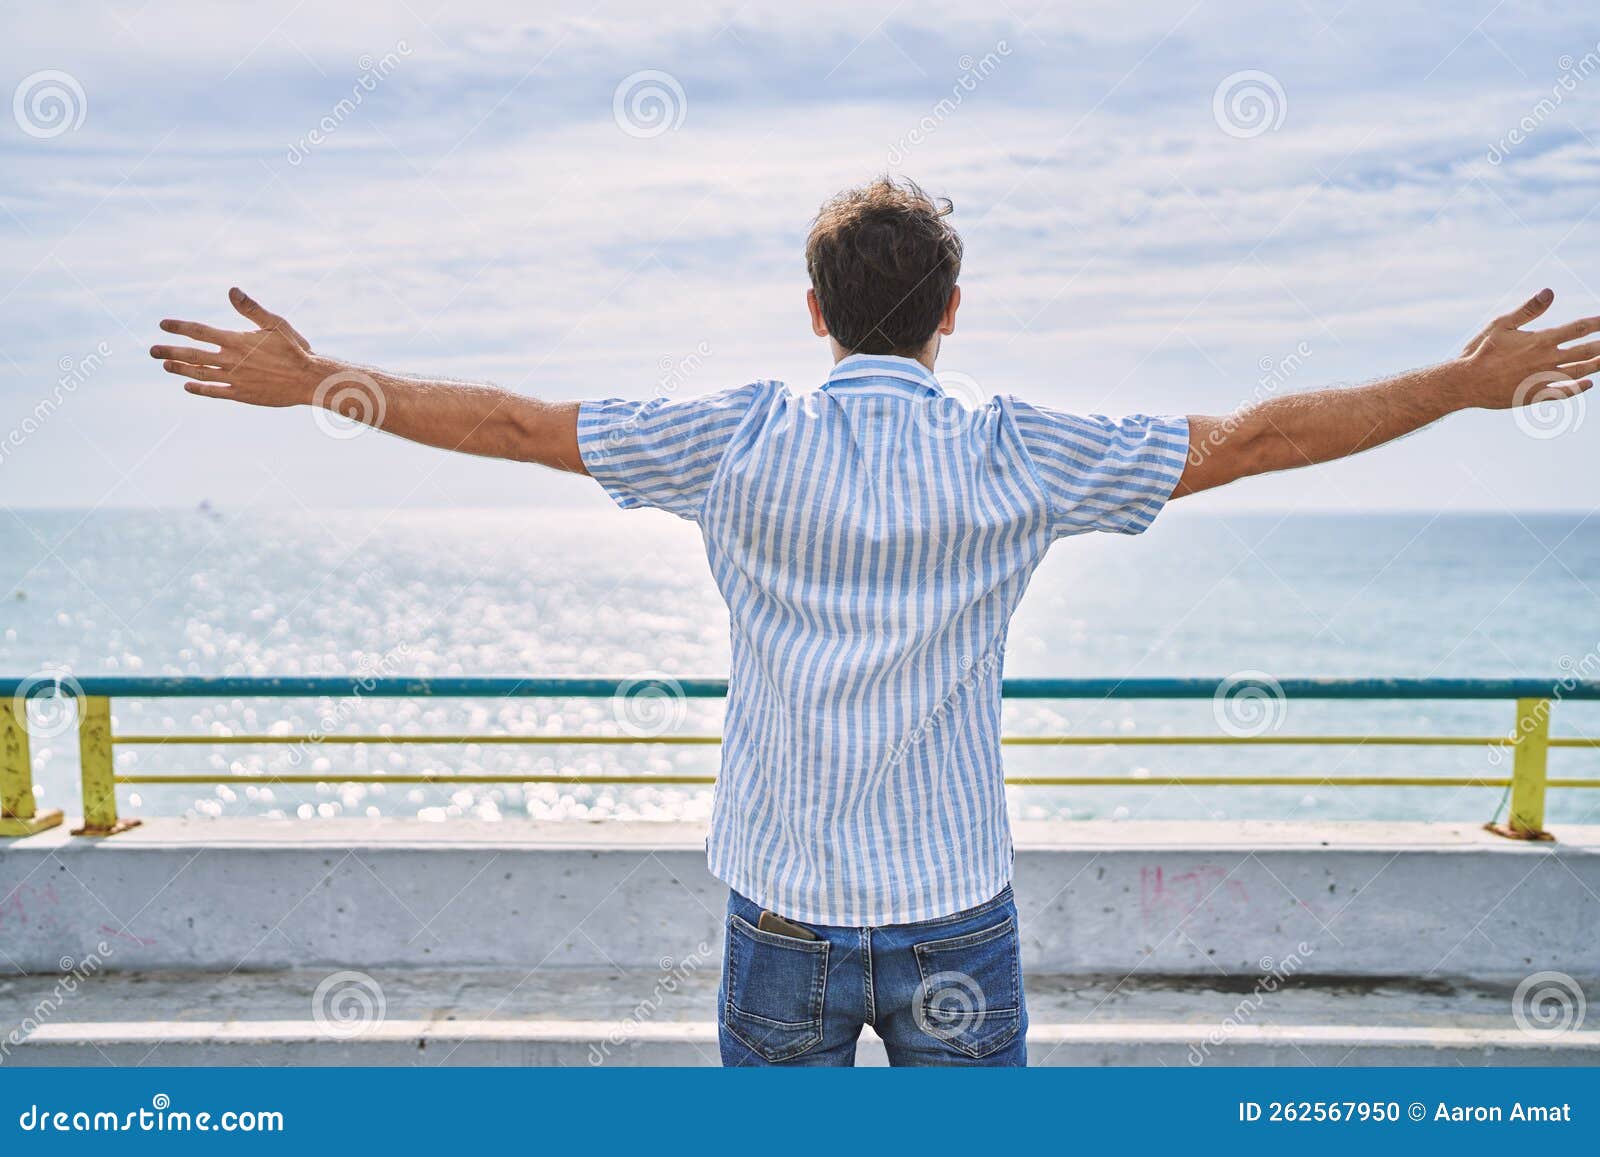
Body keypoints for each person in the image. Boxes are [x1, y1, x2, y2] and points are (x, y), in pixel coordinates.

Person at [149, 177, 1599, 1067]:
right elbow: (1247, 441)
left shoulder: (734, 439)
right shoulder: (1017, 449)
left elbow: (523, 425)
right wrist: (1460, 386)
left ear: (814, 310)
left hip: (779, 914)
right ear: (952, 311)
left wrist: (321, 375)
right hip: (956, 912)